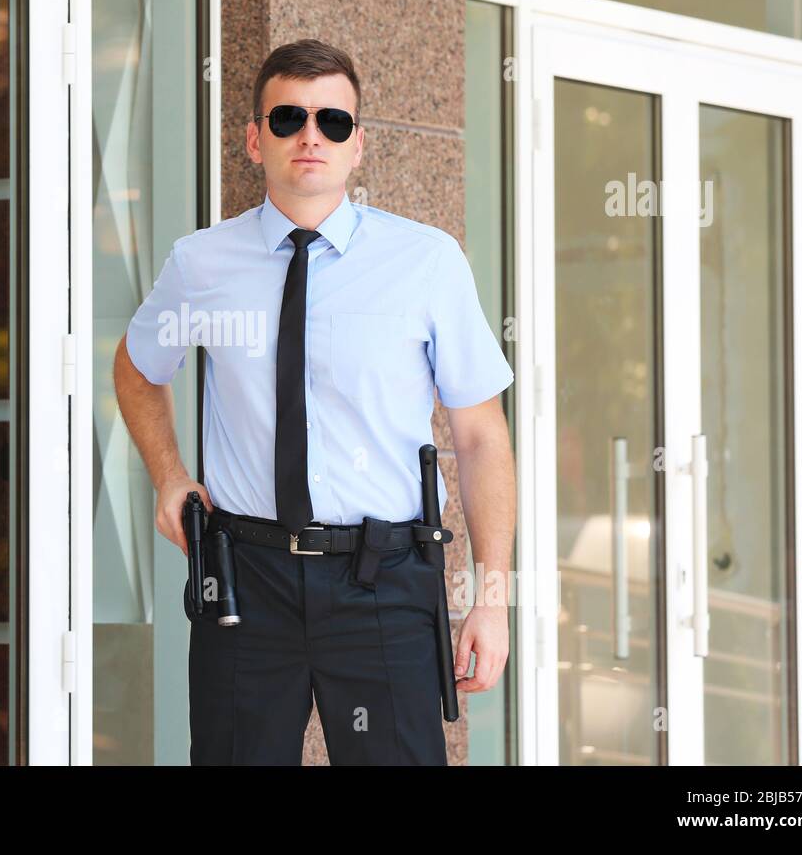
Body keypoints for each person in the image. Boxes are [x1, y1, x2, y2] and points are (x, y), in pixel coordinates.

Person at [114, 38, 516, 765]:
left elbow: (483, 437)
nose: (310, 135)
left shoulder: (426, 263)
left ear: (358, 145)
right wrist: (169, 475)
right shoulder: (201, 264)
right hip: (247, 580)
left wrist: (491, 597)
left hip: (383, 583)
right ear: (253, 138)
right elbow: (139, 368)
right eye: (288, 117)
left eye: (333, 122)